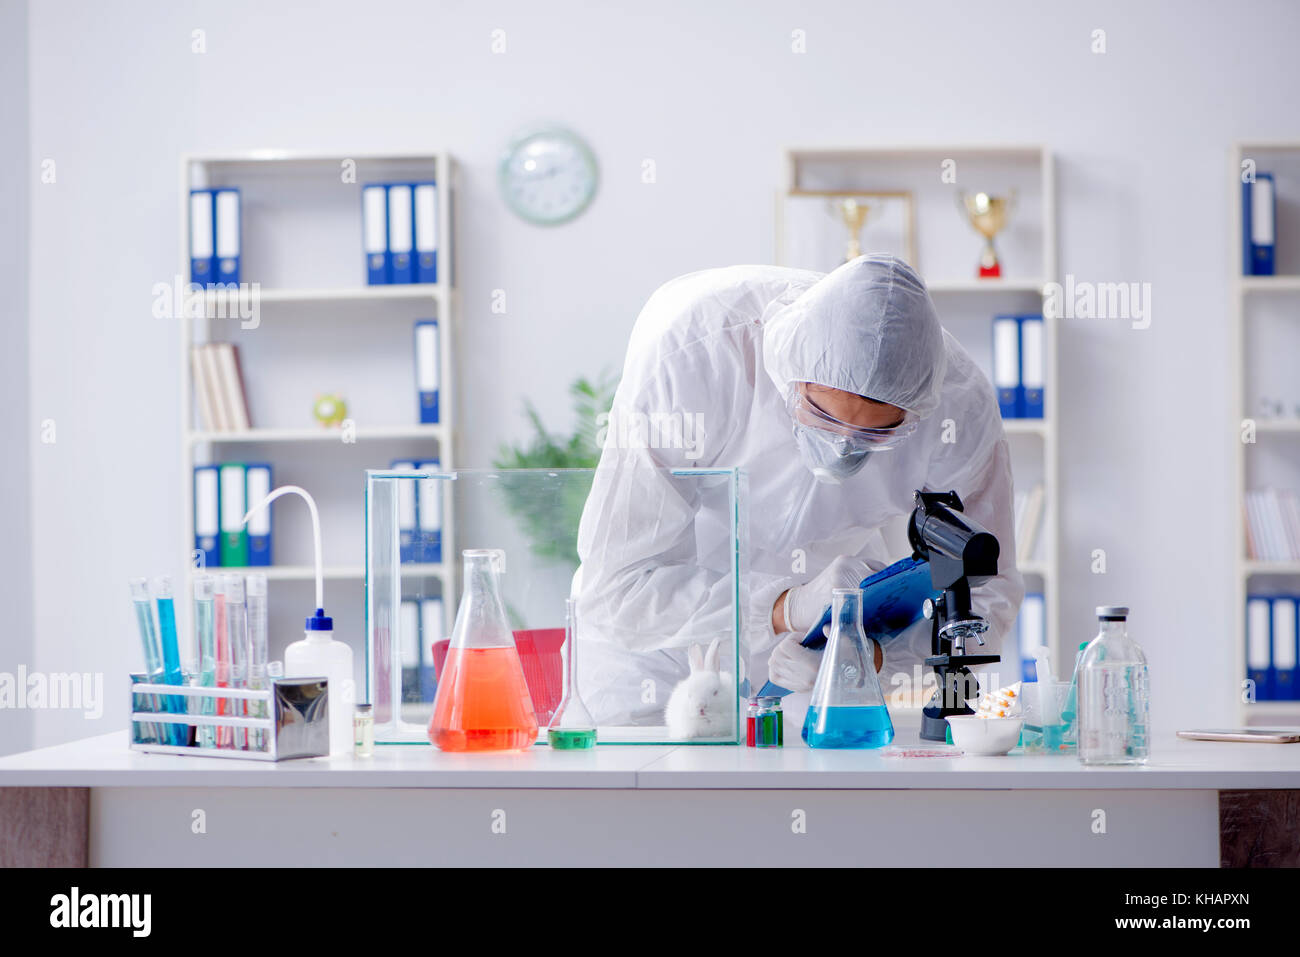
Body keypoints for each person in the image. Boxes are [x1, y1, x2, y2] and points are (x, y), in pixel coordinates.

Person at [573, 255, 1023, 728]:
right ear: (791, 372)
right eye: (823, 416)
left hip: (813, 662)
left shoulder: (959, 407)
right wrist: (784, 605)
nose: (843, 450)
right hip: (655, 650)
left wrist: (871, 661)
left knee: (801, 789)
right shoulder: (695, 352)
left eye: (875, 436)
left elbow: (988, 589)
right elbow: (616, 590)